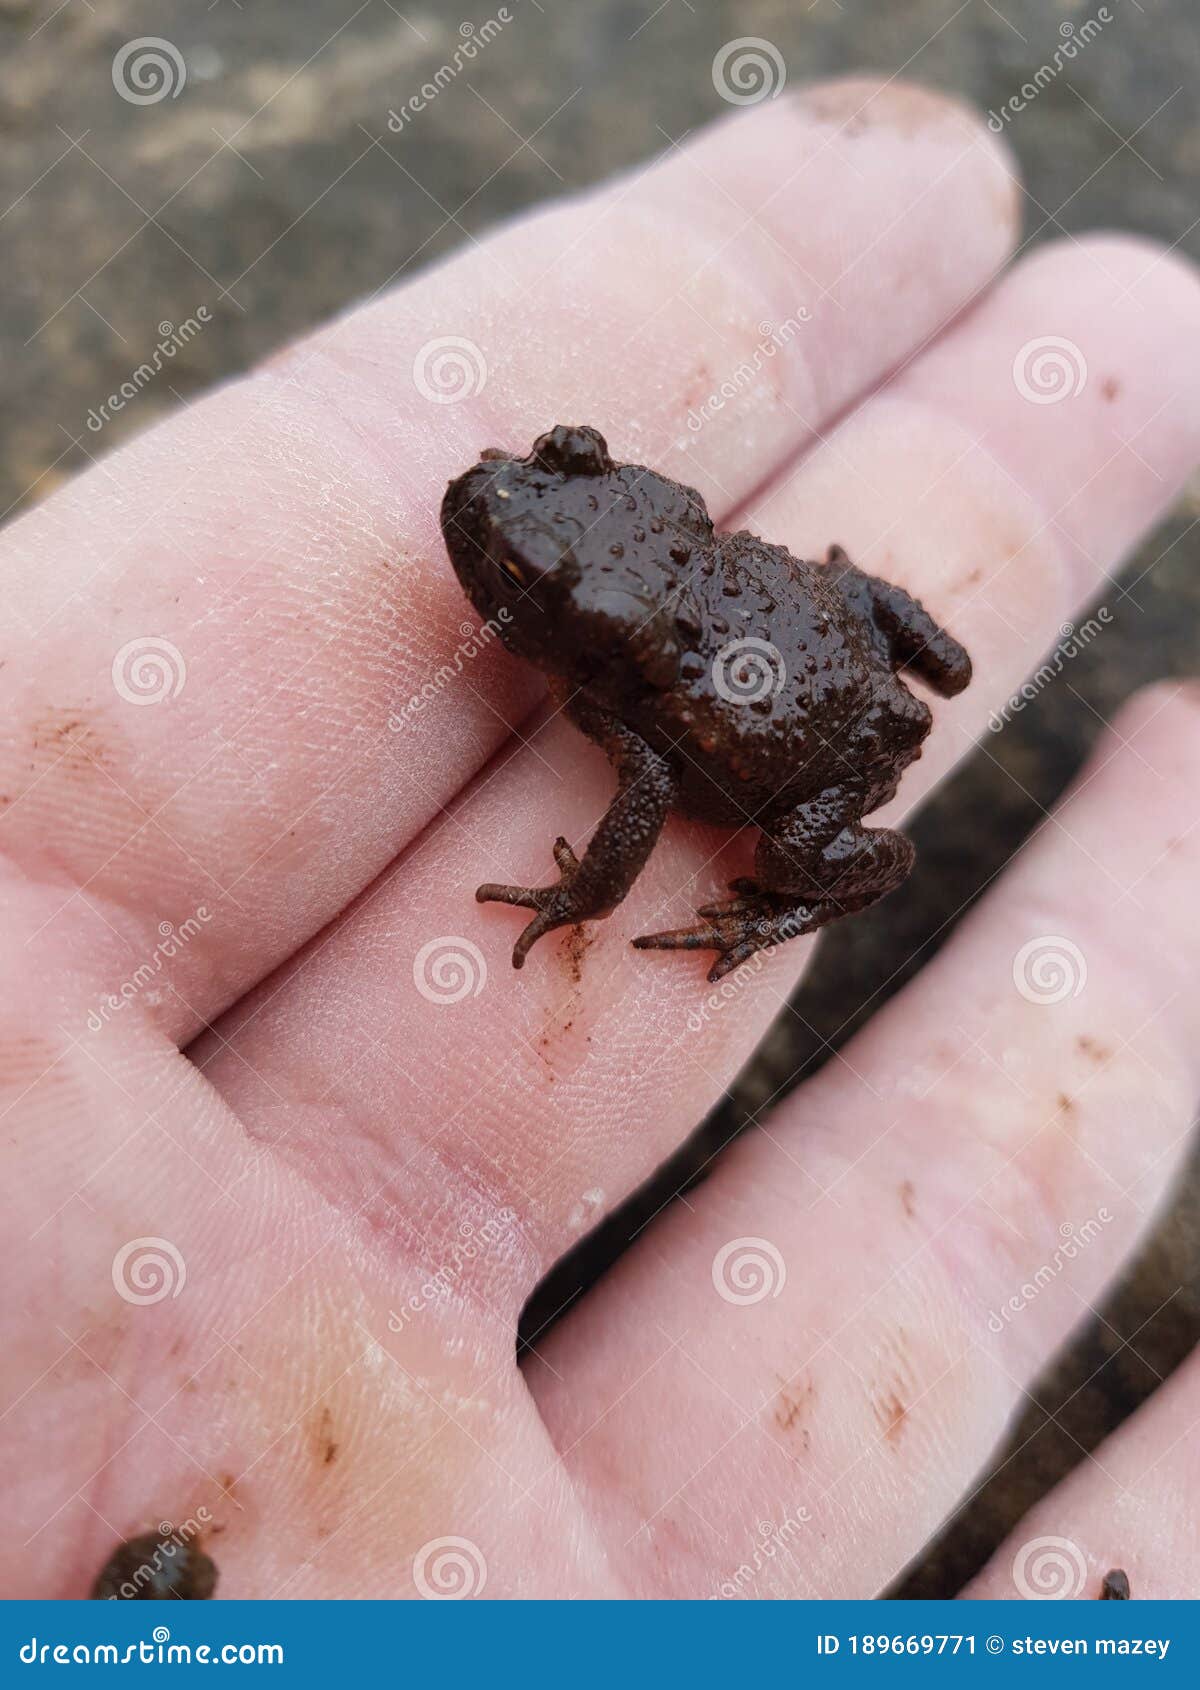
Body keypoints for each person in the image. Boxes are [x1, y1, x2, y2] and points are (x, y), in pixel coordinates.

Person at [2, 78, 1199, 1600]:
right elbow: (783, 705)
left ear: (562, 622)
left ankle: (779, 901)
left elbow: (642, 801)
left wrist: (614, 896)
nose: (498, 503)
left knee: (810, 848)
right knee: (916, 671)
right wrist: (844, 601)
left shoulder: (624, 709)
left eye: (530, 546)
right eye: (536, 493)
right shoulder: (625, 620)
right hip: (837, 628)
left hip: (813, 774)